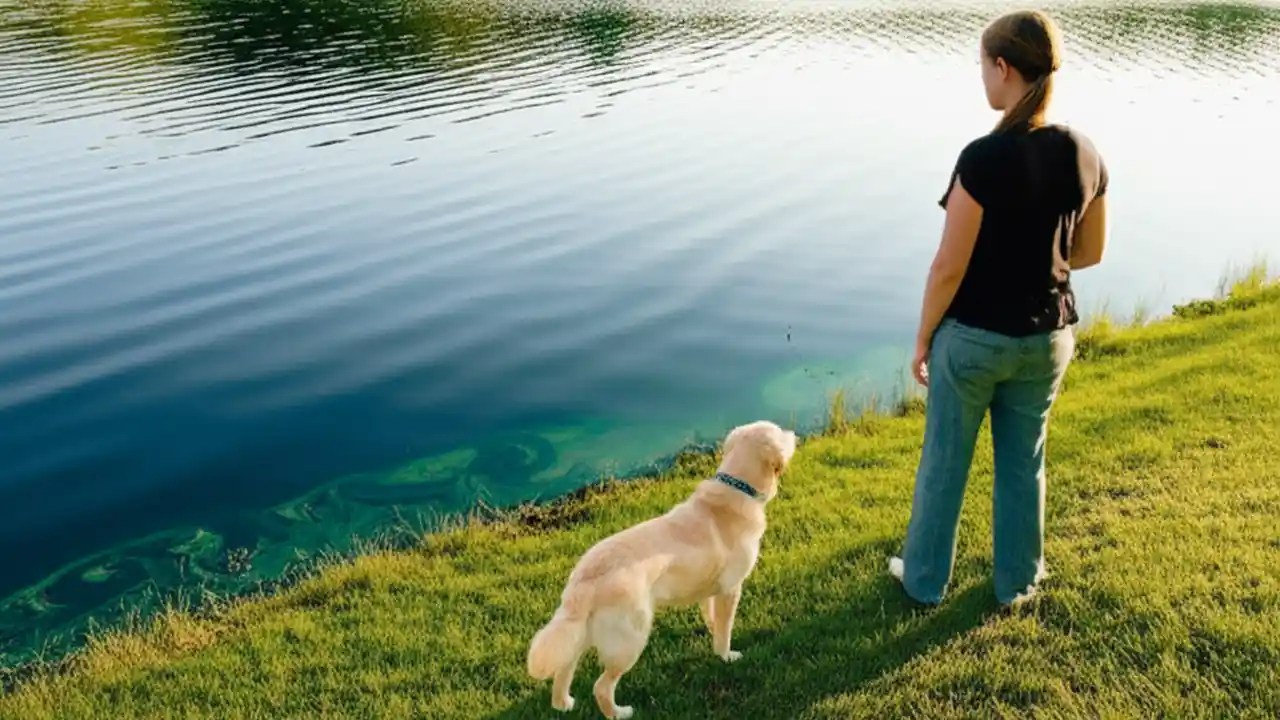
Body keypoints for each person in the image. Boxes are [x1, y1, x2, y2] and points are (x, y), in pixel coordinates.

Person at [888, 9, 1109, 607]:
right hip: (1048, 340)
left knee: (944, 466)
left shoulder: (982, 158)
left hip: (975, 341)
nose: (982, 78)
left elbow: (948, 267)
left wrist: (922, 340)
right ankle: (1018, 583)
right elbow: (1088, 253)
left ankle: (924, 582)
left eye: (983, 67)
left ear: (1004, 68)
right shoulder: (1084, 152)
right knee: (1023, 464)